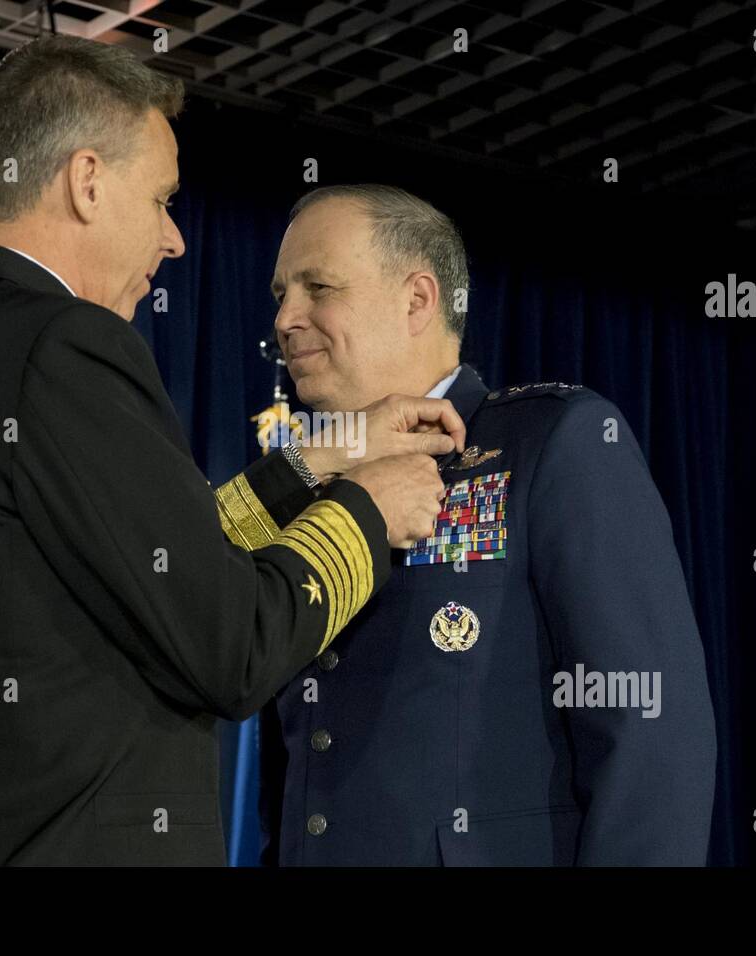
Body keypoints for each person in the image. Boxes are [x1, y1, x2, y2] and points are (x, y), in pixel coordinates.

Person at [0, 38, 461, 865]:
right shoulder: (64, 345)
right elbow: (229, 645)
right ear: (87, 182)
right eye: (162, 198)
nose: (175, 240)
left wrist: (317, 461)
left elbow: (143, 560)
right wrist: (368, 508)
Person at [259, 184, 718, 865]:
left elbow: (651, 732)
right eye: (279, 295)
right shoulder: (301, 485)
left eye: (318, 287)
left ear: (417, 300)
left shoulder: (554, 441)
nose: (287, 317)